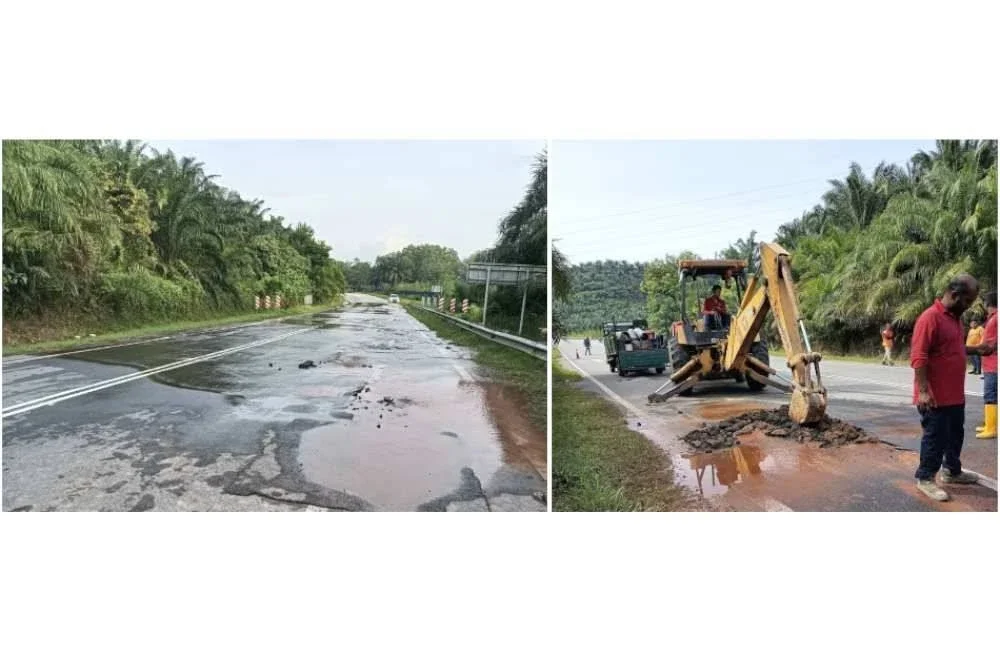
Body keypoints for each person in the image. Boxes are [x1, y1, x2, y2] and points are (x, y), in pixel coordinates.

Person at [910, 274, 995, 502]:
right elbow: (918, 356)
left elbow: (954, 348)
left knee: (955, 435)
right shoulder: (930, 318)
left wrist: (978, 349)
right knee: (935, 438)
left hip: (955, 394)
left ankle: (952, 471)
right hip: (934, 396)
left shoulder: (955, 319)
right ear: (955, 295)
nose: (968, 306)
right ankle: (925, 478)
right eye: (967, 301)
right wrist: (924, 391)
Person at [976, 292, 997, 439]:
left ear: (988, 303)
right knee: (991, 394)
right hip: (989, 362)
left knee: (991, 394)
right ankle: (991, 424)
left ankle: (991, 428)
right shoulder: (992, 318)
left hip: (993, 363)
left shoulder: (996, 318)